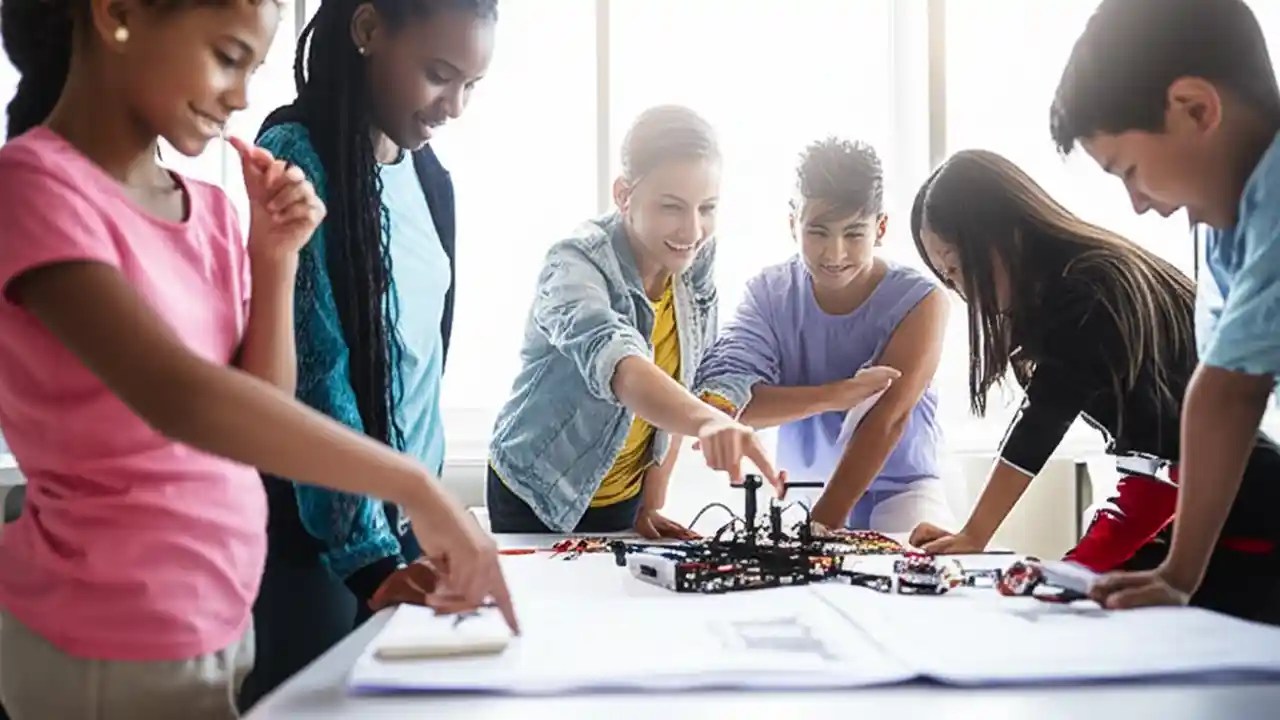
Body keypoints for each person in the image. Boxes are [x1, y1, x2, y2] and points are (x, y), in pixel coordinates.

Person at [0, 1, 514, 718]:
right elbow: (183, 400)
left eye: (253, 68)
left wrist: (274, 259)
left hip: (214, 624)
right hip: (101, 632)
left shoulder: (210, 209)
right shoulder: (30, 187)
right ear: (116, 15)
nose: (242, 97)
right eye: (227, 58)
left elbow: (263, 408)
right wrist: (414, 487)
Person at [238, 0, 496, 707]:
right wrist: (371, 560)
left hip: (404, 528)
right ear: (368, 30)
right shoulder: (298, 152)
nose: (454, 106)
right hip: (322, 546)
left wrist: (423, 513)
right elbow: (317, 370)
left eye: (471, 85)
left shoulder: (431, 178)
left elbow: (419, 365)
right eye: (439, 74)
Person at [908, 150, 1280, 623]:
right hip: (1183, 496)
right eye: (946, 277)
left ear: (1003, 234)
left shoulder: (1090, 289)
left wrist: (974, 534)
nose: (960, 289)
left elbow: (1042, 421)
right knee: (1068, 595)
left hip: (1242, 514)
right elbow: (1151, 461)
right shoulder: (1076, 284)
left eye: (958, 267)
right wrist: (1066, 566)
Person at [1047, 0, 1280, 614]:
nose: (1138, 204)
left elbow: (1230, 392)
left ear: (1196, 109)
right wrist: (1179, 576)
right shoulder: (1227, 225)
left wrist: (1179, 575)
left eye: (1128, 170)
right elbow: (1230, 390)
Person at [486, 105, 783, 536]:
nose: (692, 231)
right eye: (671, 207)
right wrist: (707, 419)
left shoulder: (694, 258)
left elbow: (683, 375)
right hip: (537, 495)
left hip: (623, 500)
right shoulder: (573, 264)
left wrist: (651, 502)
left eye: (707, 208)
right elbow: (619, 364)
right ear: (624, 194)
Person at [695, 138, 947, 534]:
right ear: (792, 224)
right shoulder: (768, 294)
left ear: (880, 228)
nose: (834, 253)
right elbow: (733, 400)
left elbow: (887, 420)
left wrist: (820, 527)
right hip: (802, 490)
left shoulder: (921, 300)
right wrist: (836, 394)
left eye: (854, 233)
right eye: (818, 232)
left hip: (902, 489)